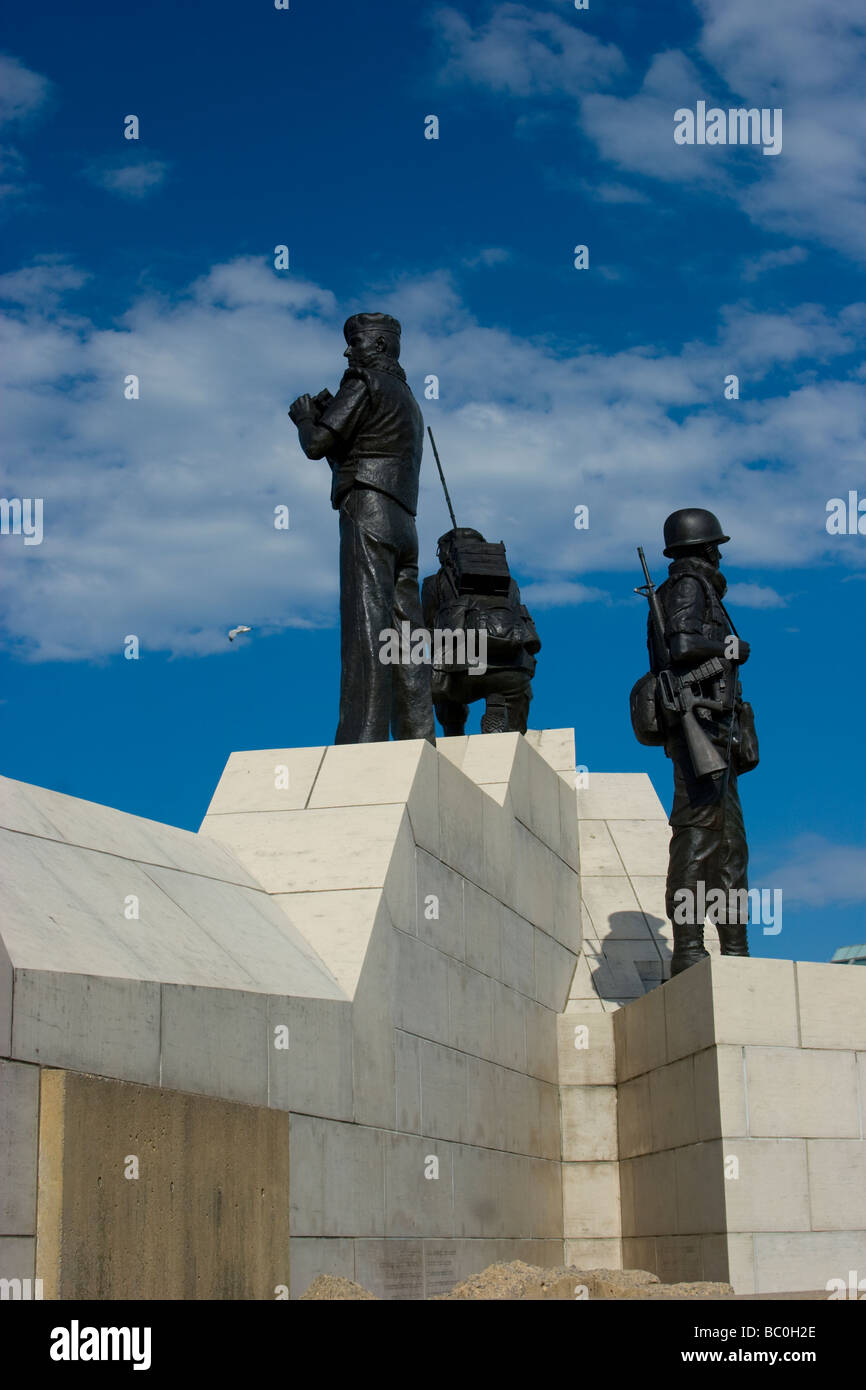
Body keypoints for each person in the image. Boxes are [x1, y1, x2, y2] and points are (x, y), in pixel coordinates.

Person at [289, 313, 435, 745]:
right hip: (404, 521)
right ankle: (417, 741)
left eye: (356, 341)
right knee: (407, 636)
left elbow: (318, 445)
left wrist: (303, 417)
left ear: (379, 347)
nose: (347, 350)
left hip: (367, 509)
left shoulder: (363, 382)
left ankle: (361, 741)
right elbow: (360, 445)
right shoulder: (408, 399)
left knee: (366, 626)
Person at [649, 508, 758, 975]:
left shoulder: (697, 588)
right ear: (706, 549)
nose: (719, 554)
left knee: (730, 846)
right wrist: (730, 649)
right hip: (700, 727)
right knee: (697, 839)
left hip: (718, 729)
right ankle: (690, 948)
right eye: (716, 546)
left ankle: (735, 948)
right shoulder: (689, 587)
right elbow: (681, 645)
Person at [421, 527, 540, 735]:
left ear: (447, 552)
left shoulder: (434, 583)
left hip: (461, 673)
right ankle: (497, 701)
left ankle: (453, 731)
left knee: (443, 684)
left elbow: (428, 626)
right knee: (515, 693)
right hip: (511, 668)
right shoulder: (510, 583)